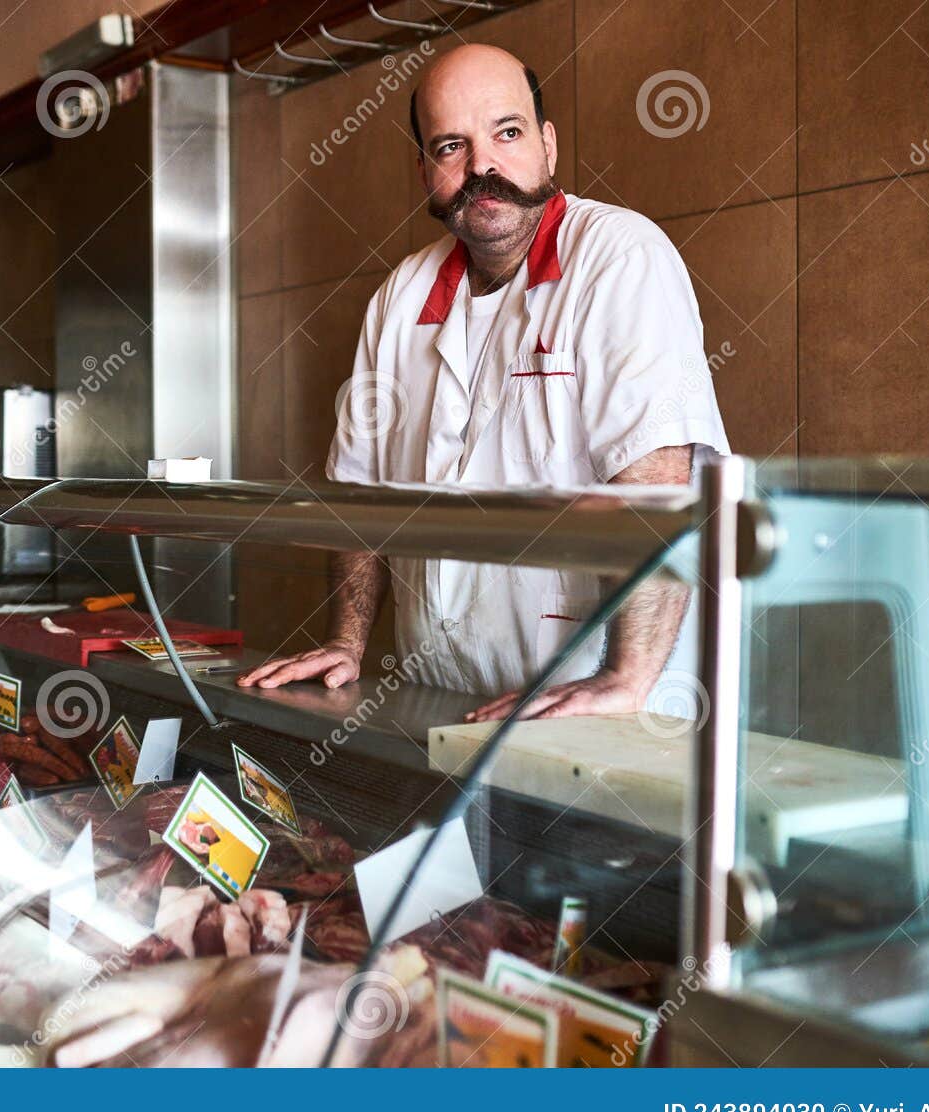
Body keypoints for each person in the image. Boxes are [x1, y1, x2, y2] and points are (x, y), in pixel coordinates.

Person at [239, 44, 729, 721]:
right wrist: (346, 641)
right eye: (451, 146)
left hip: (602, 708)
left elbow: (657, 485)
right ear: (424, 171)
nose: (483, 168)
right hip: (446, 702)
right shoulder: (400, 297)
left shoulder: (622, 259)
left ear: (547, 145)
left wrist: (625, 677)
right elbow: (356, 498)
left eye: (507, 132)